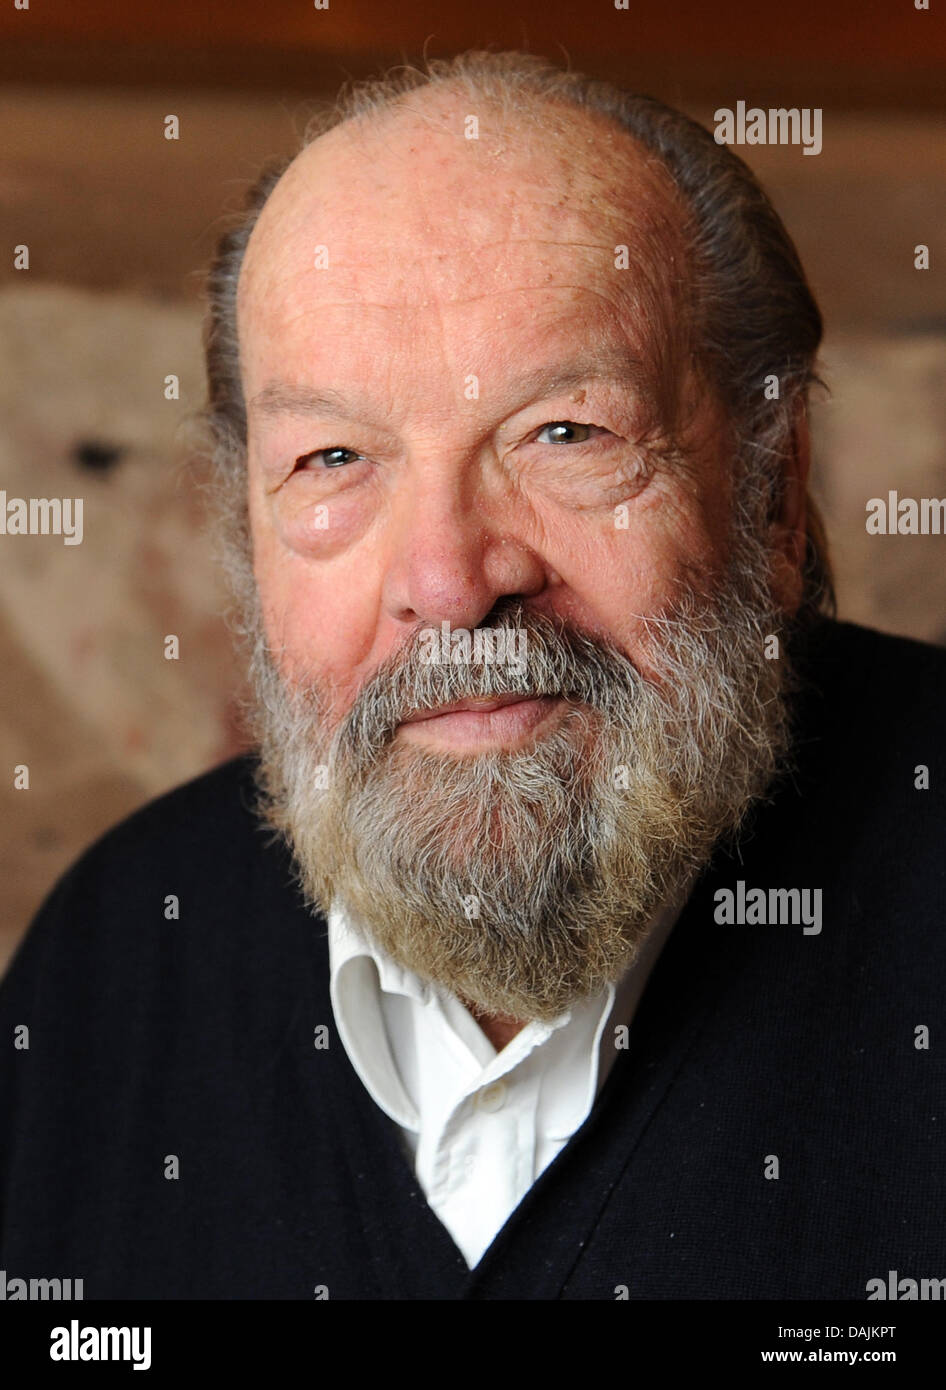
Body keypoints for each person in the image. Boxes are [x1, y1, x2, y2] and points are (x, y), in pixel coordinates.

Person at [1, 51, 944, 1301]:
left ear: (770, 492)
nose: (449, 579)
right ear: (243, 532)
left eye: (564, 431)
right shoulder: (111, 963)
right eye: (334, 456)